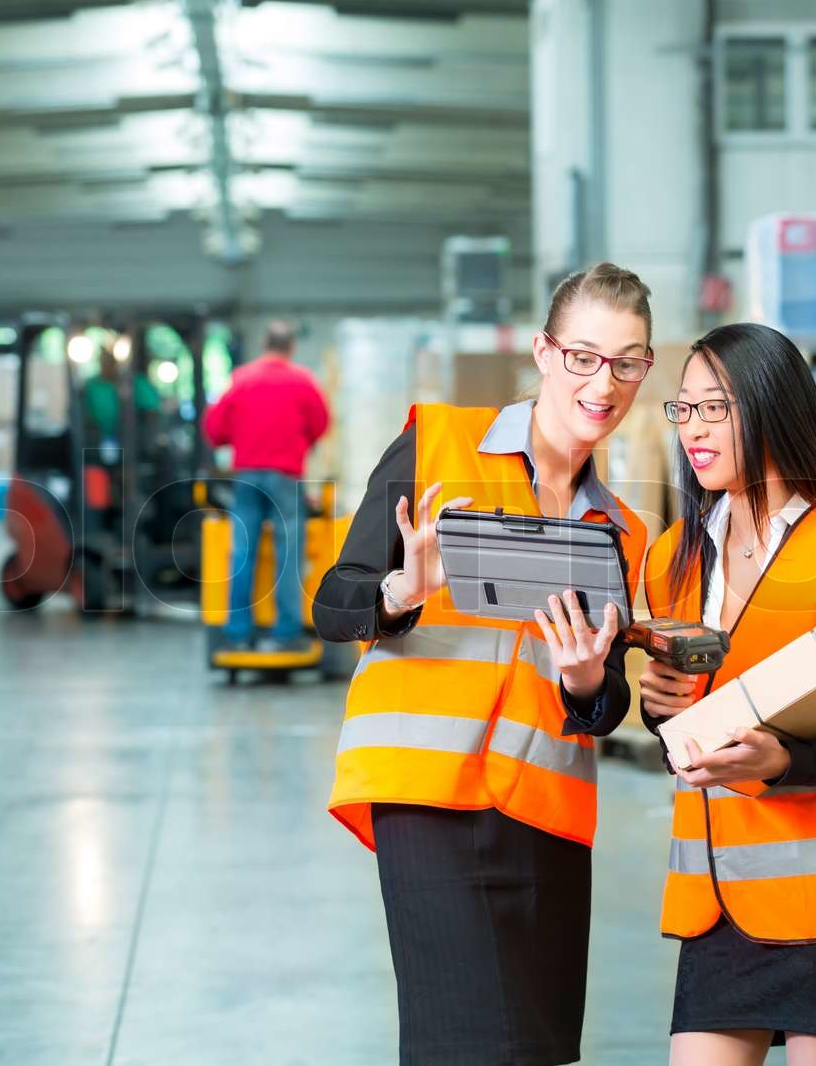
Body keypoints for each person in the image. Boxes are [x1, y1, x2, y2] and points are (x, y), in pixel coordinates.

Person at [313, 263, 654, 1065]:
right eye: (583, 355)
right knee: (461, 1040)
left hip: (545, 812)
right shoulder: (437, 443)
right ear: (543, 352)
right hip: (426, 793)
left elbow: (604, 704)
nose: (603, 383)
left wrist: (581, 679)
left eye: (628, 361)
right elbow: (335, 602)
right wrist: (406, 584)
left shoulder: (623, 529)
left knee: (535, 1045)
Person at [640, 322, 816, 1066]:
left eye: (715, 407)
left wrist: (780, 758)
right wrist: (658, 707)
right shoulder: (673, 557)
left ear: (771, 408)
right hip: (715, 902)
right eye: (684, 409)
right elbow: (677, 723)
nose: (693, 428)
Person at [203, 320, 331, 652]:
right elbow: (321, 423)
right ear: (291, 347)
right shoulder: (302, 381)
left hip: (246, 476)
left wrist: (241, 438)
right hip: (286, 476)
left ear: (265, 344)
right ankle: (286, 633)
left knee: (243, 551)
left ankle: (237, 634)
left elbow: (214, 428)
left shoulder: (241, 379)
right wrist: (300, 441)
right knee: (288, 553)